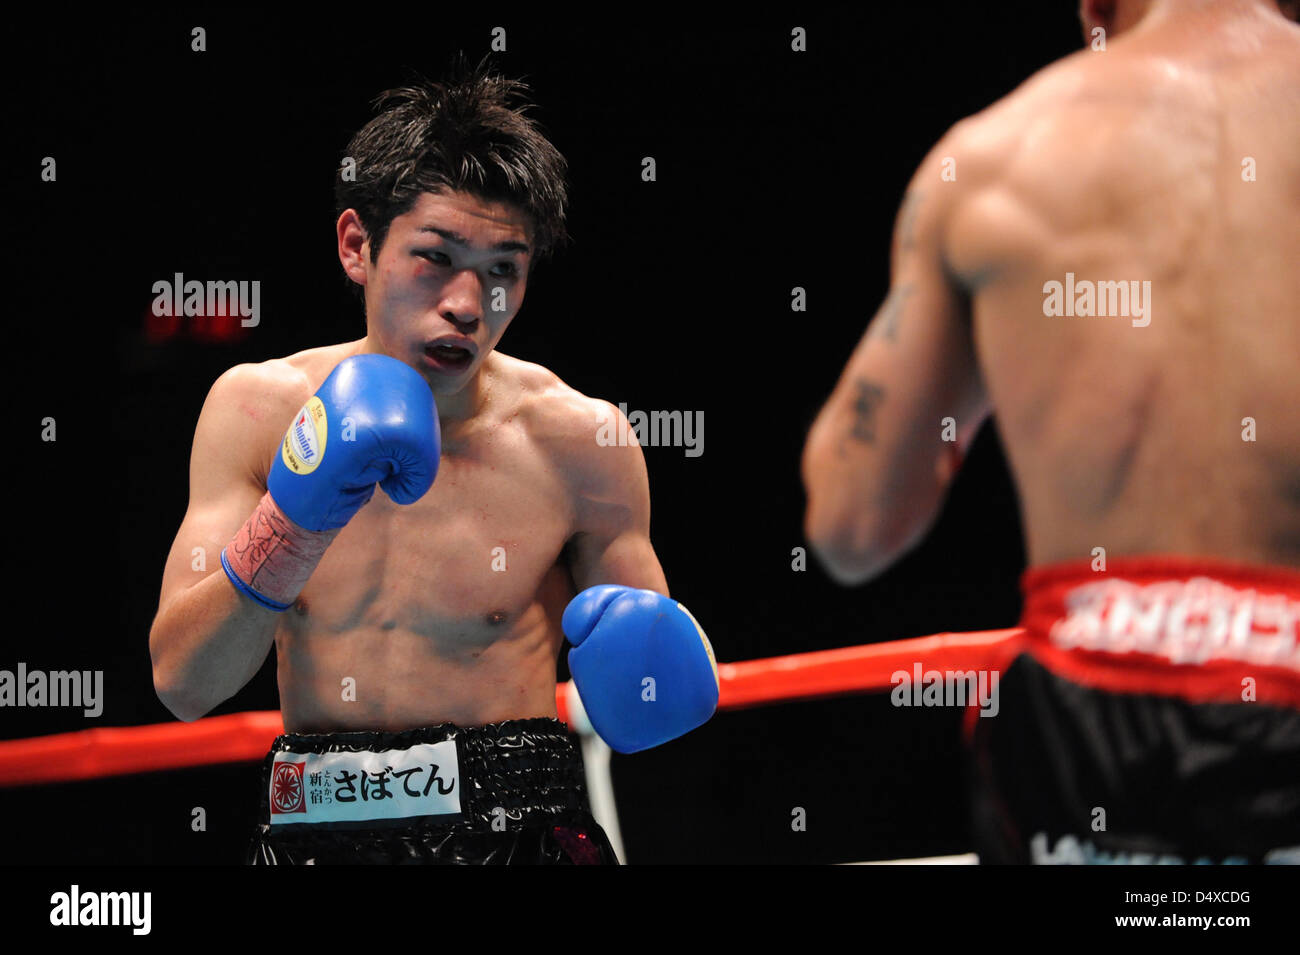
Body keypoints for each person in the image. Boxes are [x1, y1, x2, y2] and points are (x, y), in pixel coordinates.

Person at [148, 58, 718, 865]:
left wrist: (662, 669)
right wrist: (295, 520)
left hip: (518, 832)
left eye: (502, 271)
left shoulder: (579, 443)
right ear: (357, 245)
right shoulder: (256, 412)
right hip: (315, 830)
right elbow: (182, 679)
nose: (466, 303)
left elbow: (652, 703)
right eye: (435, 256)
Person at [802, 0, 1300, 863]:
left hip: (1094, 729)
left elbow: (851, 526)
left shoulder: (995, 159)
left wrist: (1010, 357)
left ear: (1095, 8)